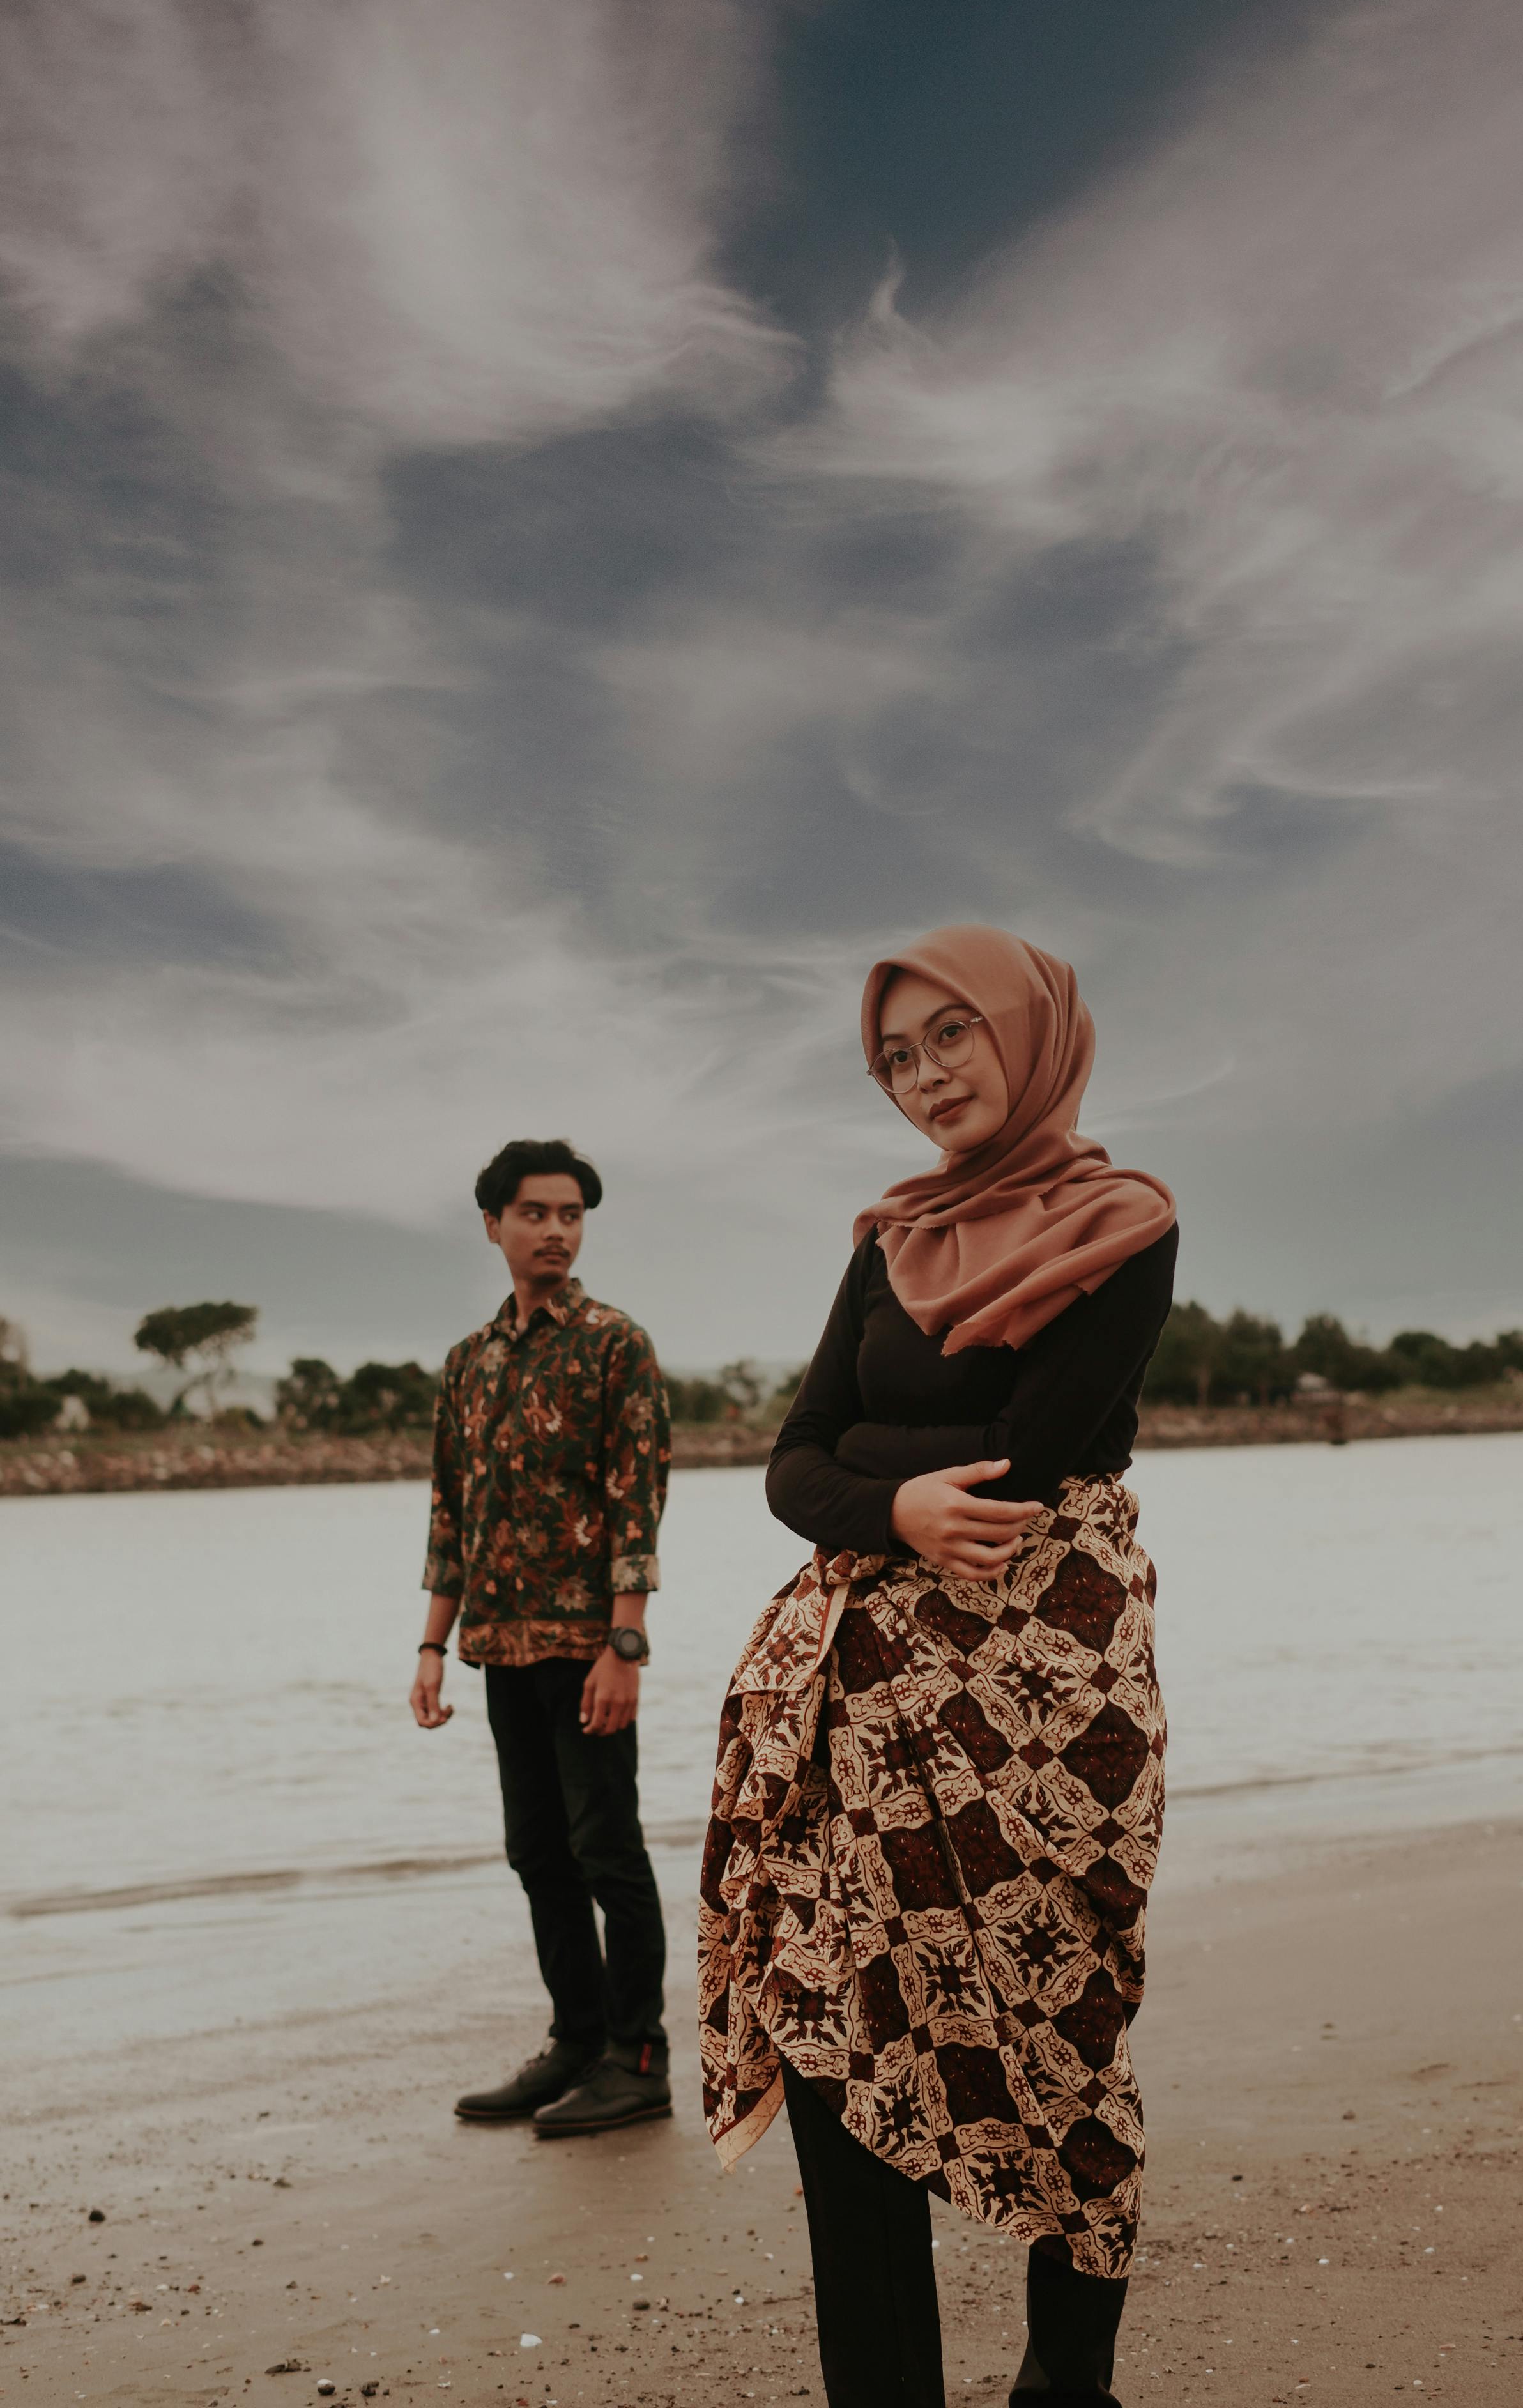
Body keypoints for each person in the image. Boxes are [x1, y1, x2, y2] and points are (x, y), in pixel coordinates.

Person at [700, 927, 1178, 2406]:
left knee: (1062, 2025)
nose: (923, 1078)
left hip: (1051, 1687)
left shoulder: (1126, 1220)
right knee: (840, 2033)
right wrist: (893, 1499)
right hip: (855, 1704)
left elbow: (1031, 1459)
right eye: (894, 1058)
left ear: (1028, 1030)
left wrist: (869, 1470)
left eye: (950, 1036)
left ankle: (1066, 2381)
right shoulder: (885, 1240)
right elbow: (787, 1463)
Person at [411, 1135, 673, 2137]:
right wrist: (432, 1647)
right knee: (537, 1853)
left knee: (608, 1849)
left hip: (588, 1648)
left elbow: (635, 1506)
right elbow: (451, 1513)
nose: (557, 1230)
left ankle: (638, 2057)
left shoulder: (615, 1344)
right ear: (494, 1225)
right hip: (497, 1648)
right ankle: (576, 2041)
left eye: (571, 1215)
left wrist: (626, 1644)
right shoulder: (468, 1364)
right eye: (536, 1213)